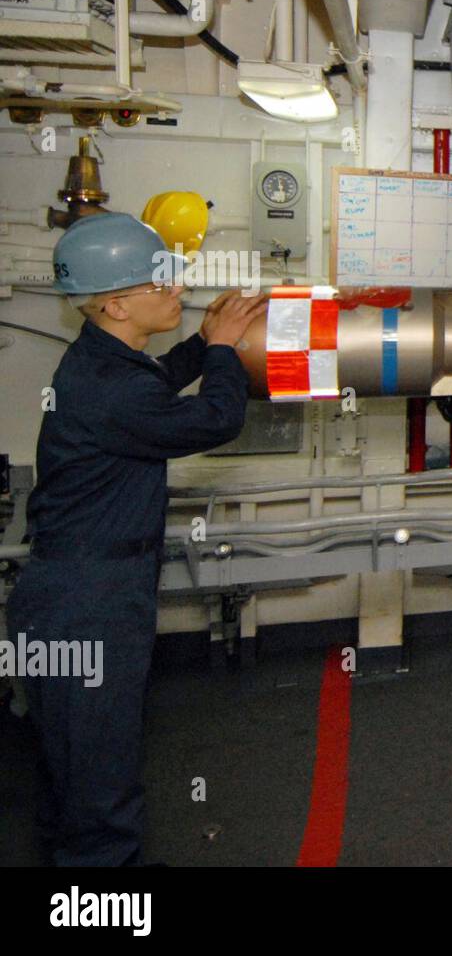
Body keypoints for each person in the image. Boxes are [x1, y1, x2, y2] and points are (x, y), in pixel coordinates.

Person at [8, 212, 267, 865]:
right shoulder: (111, 390)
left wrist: (201, 342)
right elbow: (217, 416)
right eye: (163, 283)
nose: (177, 291)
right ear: (118, 302)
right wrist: (224, 349)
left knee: (69, 768)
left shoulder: (103, 361)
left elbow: (154, 387)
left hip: (68, 590)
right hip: (90, 601)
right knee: (99, 782)